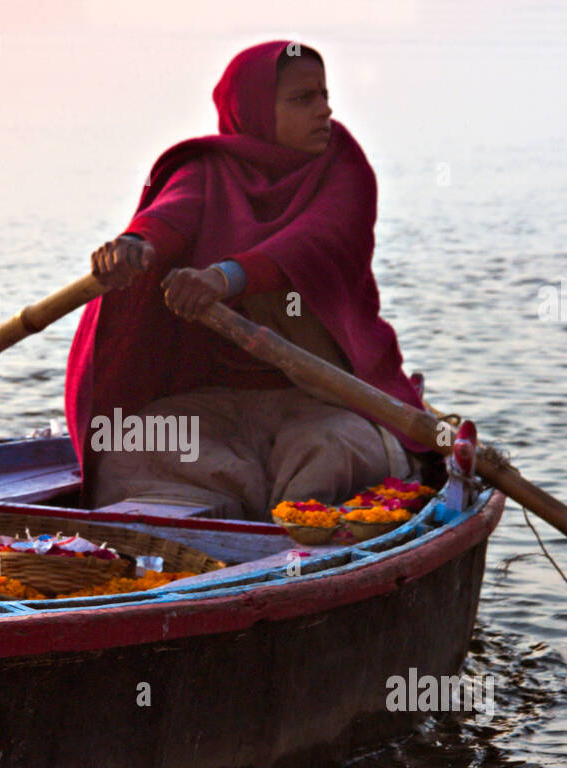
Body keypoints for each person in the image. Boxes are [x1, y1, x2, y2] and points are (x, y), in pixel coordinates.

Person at [65, 40, 435, 520]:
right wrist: (134, 247)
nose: (325, 110)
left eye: (324, 95)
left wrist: (224, 278)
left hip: (326, 397)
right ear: (256, 110)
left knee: (332, 454)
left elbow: (314, 242)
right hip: (214, 403)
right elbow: (169, 216)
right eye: (304, 99)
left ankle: (287, 540)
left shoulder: (343, 164)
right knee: (127, 447)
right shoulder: (208, 168)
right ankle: (224, 533)